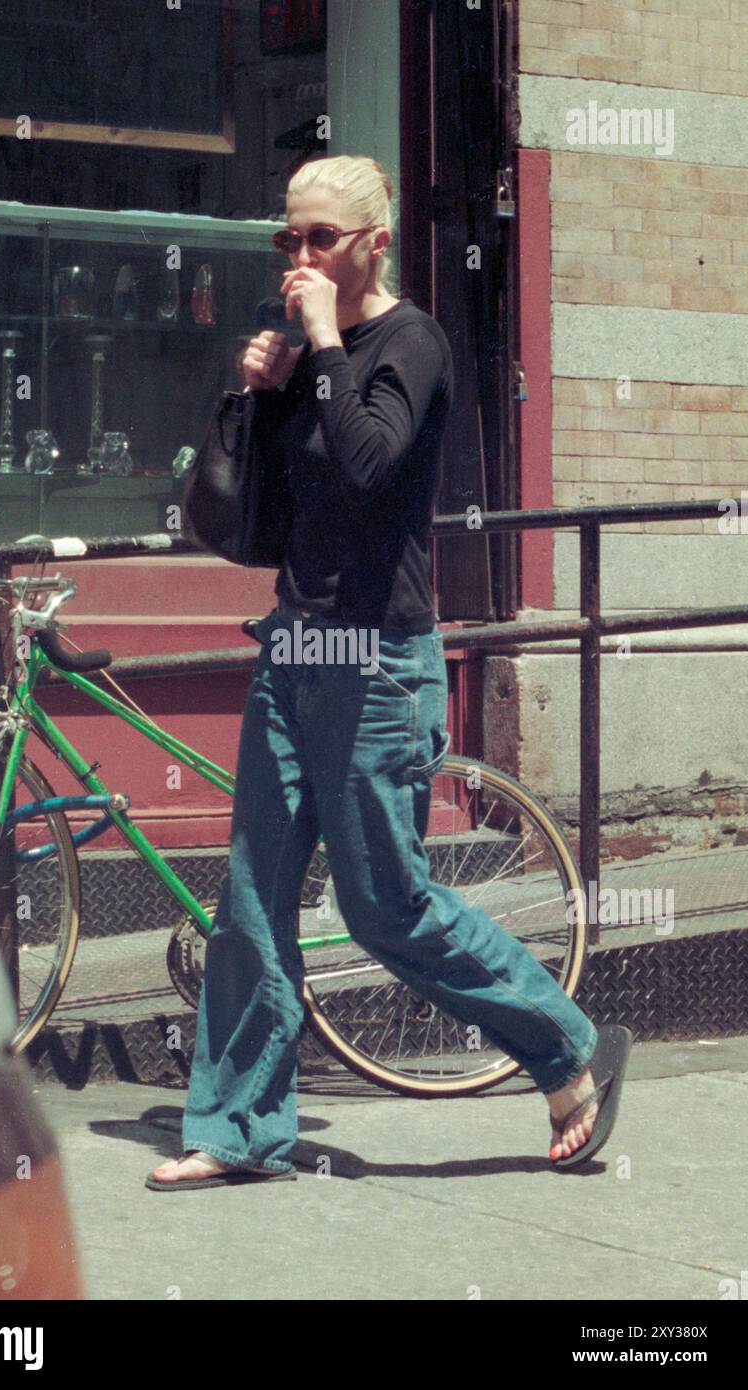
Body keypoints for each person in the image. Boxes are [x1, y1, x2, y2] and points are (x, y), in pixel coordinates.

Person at [147, 155, 630, 1192]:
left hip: (374, 659)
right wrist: (259, 396)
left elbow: (370, 467)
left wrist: (324, 346)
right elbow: (268, 515)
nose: (300, 256)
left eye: (320, 238)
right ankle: (236, 1128)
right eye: (288, 239)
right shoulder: (303, 352)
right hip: (296, 644)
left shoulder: (412, 342)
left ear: (374, 242)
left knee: (385, 906)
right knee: (251, 897)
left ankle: (563, 1044)